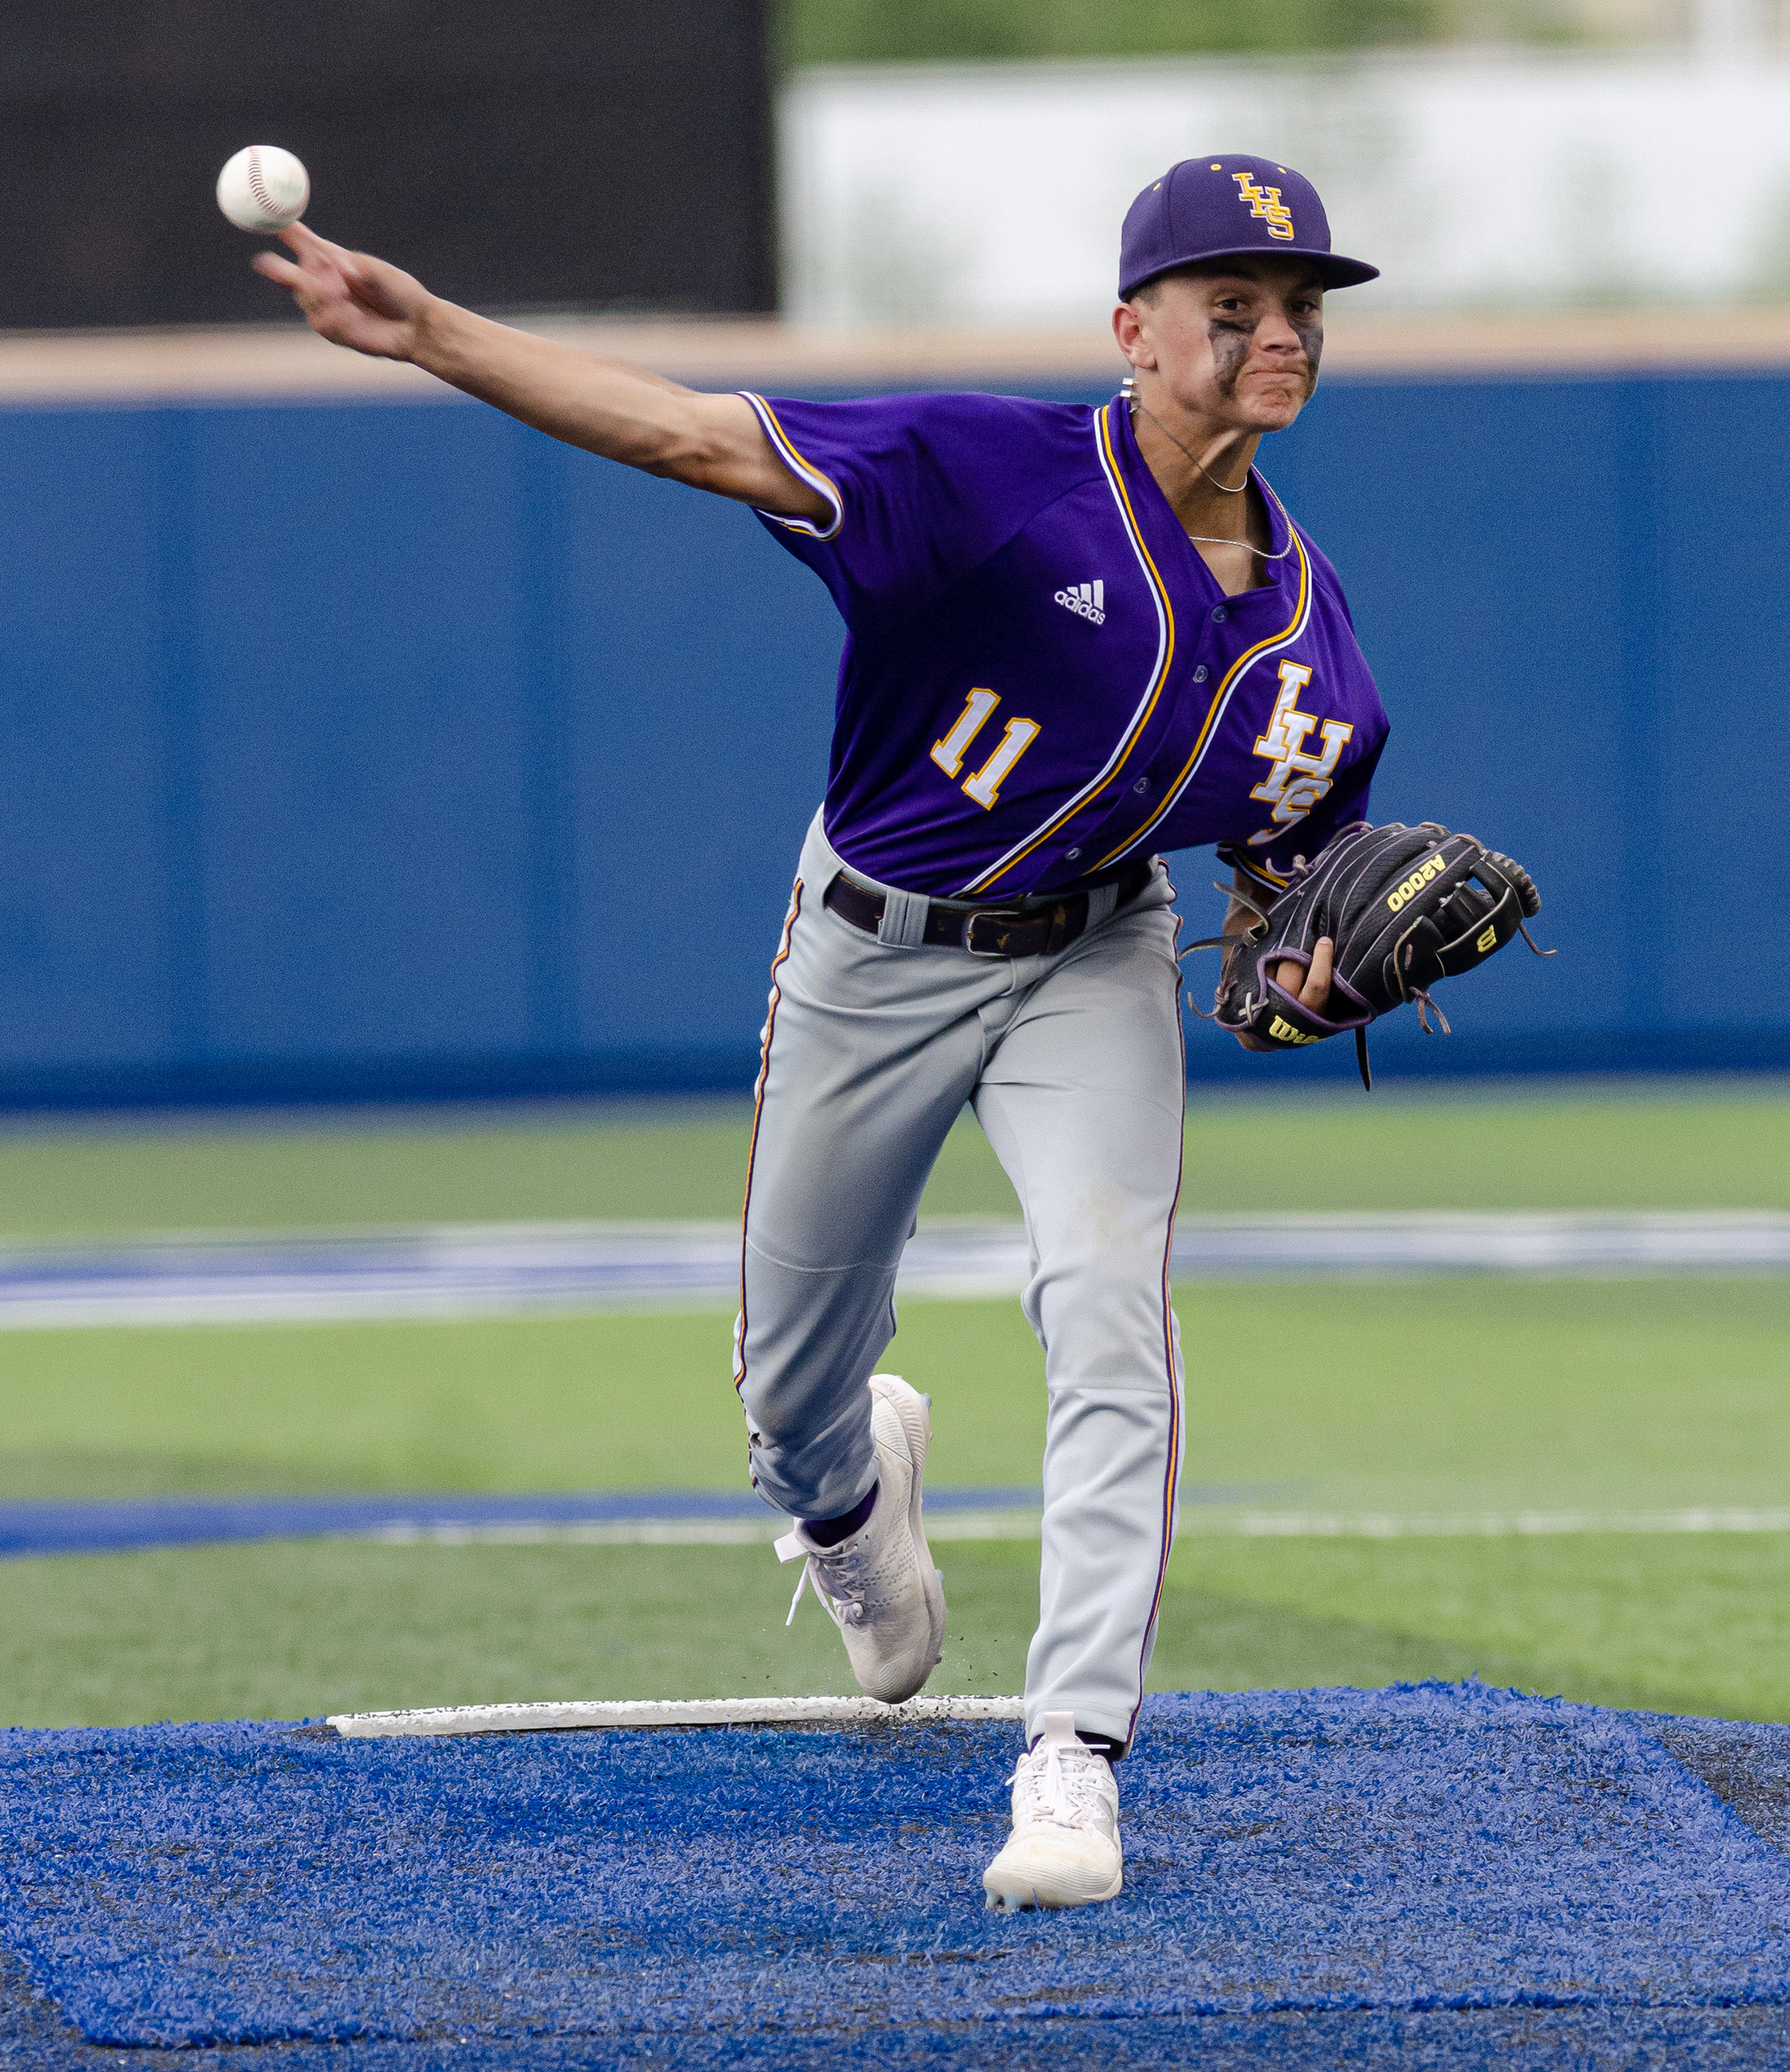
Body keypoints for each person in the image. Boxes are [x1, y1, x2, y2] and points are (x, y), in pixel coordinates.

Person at [255, 154, 1388, 1911]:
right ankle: (854, 1510)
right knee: (788, 1388)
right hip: (873, 950)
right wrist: (436, 336)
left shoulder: (1313, 647)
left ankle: (1074, 1755)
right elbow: (689, 436)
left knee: (1109, 1310)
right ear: (1131, 330)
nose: (1276, 333)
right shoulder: (989, 473)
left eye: (1299, 306)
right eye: (1229, 303)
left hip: (1092, 957)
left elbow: (1283, 896)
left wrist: (1299, 976)